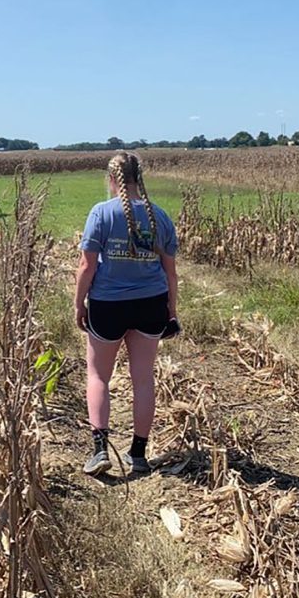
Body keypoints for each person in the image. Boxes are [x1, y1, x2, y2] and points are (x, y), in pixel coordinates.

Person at [75, 151, 179, 476]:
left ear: (110, 178)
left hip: (108, 306)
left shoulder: (101, 213)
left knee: (98, 376)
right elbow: (171, 273)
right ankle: (138, 455)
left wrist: (79, 304)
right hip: (151, 304)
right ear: (140, 178)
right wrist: (171, 312)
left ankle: (99, 450)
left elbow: (86, 266)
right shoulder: (159, 216)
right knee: (143, 379)